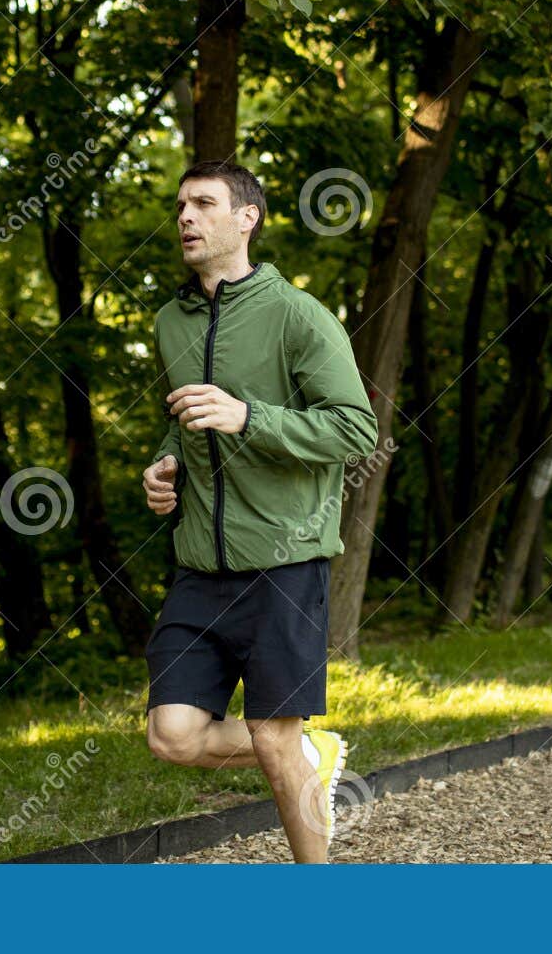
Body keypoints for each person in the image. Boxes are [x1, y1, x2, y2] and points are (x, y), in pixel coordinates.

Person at [141, 159, 379, 863]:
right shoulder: (168, 321)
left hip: (283, 560)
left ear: (247, 218)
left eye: (203, 203)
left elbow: (356, 430)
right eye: (181, 204)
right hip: (200, 566)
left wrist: (250, 417)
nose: (185, 216)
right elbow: (184, 422)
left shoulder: (296, 315)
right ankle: (315, 748)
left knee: (273, 740)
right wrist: (163, 465)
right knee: (172, 735)